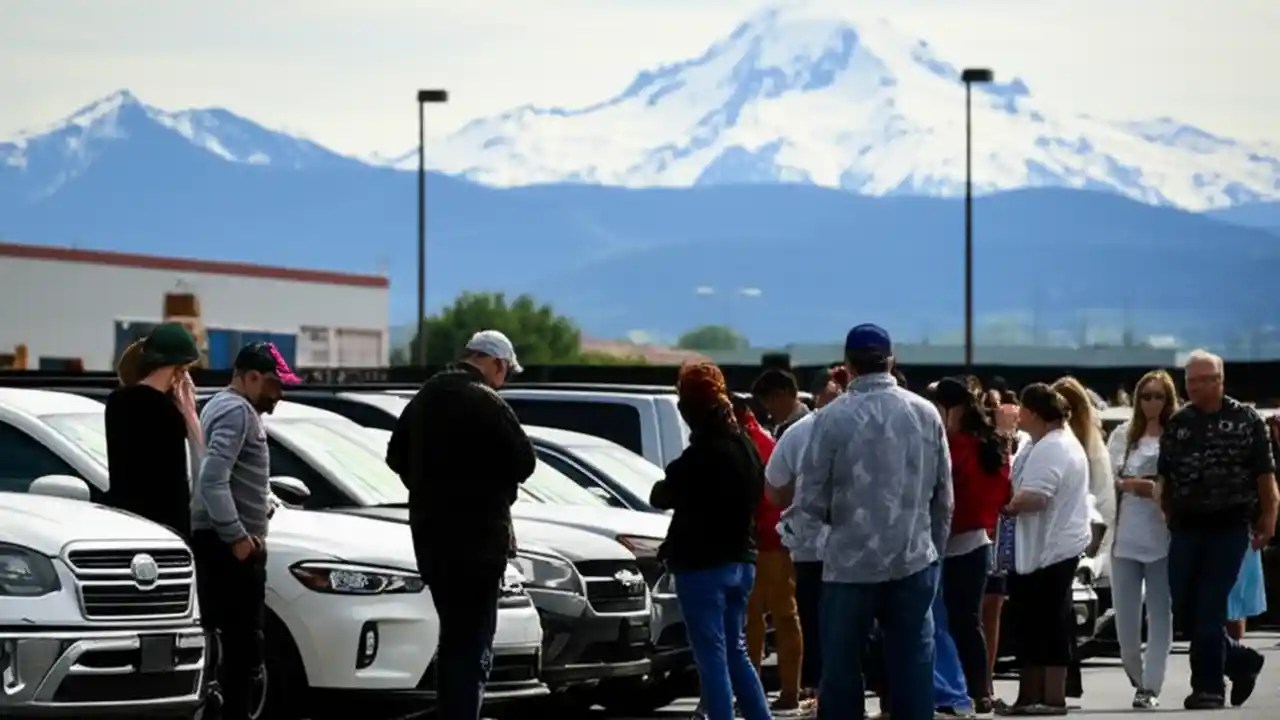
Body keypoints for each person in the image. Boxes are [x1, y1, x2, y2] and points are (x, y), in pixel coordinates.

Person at [797, 324, 952, 720]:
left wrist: (816, 549)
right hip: (913, 561)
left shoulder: (830, 418)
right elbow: (944, 497)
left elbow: (809, 499)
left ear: (847, 366)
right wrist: (933, 552)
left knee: (842, 671)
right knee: (914, 668)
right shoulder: (925, 413)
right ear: (891, 359)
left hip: (849, 566)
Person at [386, 330, 536, 720]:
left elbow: (394, 455)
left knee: (452, 638)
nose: (504, 381)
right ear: (496, 364)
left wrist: (428, 488)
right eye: (506, 373)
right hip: (480, 544)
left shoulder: (424, 398)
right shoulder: (486, 401)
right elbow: (525, 462)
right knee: (473, 645)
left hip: (432, 541)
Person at [650, 362, 771, 720]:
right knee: (736, 650)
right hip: (742, 561)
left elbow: (663, 494)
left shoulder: (700, 454)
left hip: (702, 566)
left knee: (711, 655)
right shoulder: (745, 448)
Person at [1160, 351, 1276, 709]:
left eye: (1200, 380)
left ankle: (1208, 687)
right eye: (1189, 381)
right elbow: (1164, 477)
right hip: (1186, 527)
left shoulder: (1247, 420)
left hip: (1228, 526)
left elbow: (1265, 477)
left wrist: (1268, 518)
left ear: (1219, 380)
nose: (1193, 387)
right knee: (1185, 608)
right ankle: (1242, 661)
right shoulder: (1179, 423)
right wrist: (1167, 511)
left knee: (1210, 607)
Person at [192, 341, 300, 720]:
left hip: (225, 543)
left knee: (236, 650)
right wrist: (237, 537)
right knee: (242, 652)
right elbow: (213, 479)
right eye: (274, 383)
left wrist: (263, 502)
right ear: (251, 377)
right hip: (228, 549)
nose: (280, 393)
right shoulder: (237, 411)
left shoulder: (225, 407)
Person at [996, 383, 1092, 716]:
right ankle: (1030, 697)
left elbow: (1037, 495)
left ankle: (1050, 698)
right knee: (1037, 626)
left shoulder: (1053, 447)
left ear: (1034, 413)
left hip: (1049, 552)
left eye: (1022, 409)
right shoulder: (1043, 443)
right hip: (1041, 551)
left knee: (1047, 625)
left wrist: (1007, 506)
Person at [763, 366, 849, 708]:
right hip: (846, 548)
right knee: (841, 625)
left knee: (817, 623)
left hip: (820, 547)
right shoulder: (860, 429)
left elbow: (774, 490)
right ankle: (829, 693)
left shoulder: (800, 432)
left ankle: (824, 693)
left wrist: (798, 496)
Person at [933, 377, 1011, 713]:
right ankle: (980, 690)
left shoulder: (952, 446)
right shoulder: (988, 445)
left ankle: (959, 689)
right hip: (978, 541)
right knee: (969, 621)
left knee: (949, 622)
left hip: (950, 542)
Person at [1105, 370, 1176, 709]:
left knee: (1160, 615)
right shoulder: (1123, 435)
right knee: (1126, 624)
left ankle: (1151, 686)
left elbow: (1176, 481)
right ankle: (1137, 675)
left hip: (1162, 536)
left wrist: (1152, 486)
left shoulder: (1176, 435)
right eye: (1146, 395)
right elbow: (1112, 478)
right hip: (1125, 538)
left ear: (1168, 399)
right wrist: (1133, 484)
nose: (1151, 402)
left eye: (1158, 396)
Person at [729, 396, 804, 713]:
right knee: (766, 617)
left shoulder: (750, 442)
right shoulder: (758, 439)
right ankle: (774, 689)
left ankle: (785, 691)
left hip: (766, 540)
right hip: (770, 538)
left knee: (777, 616)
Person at [104, 322, 202, 538]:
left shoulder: (116, 402)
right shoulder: (169, 412)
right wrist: (189, 412)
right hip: (166, 528)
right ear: (179, 369)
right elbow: (179, 481)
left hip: (125, 522)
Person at [1053, 377, 1115, 559]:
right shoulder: (1042, 446)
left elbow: (1104, 503)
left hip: (1080, 542)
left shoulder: (1095, 453)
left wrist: (1094, 554)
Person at [751, 367, 809, 438]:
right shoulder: (774, 427)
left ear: (780, 394)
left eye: (768, 401)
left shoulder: (805, 427)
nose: (768, 411)